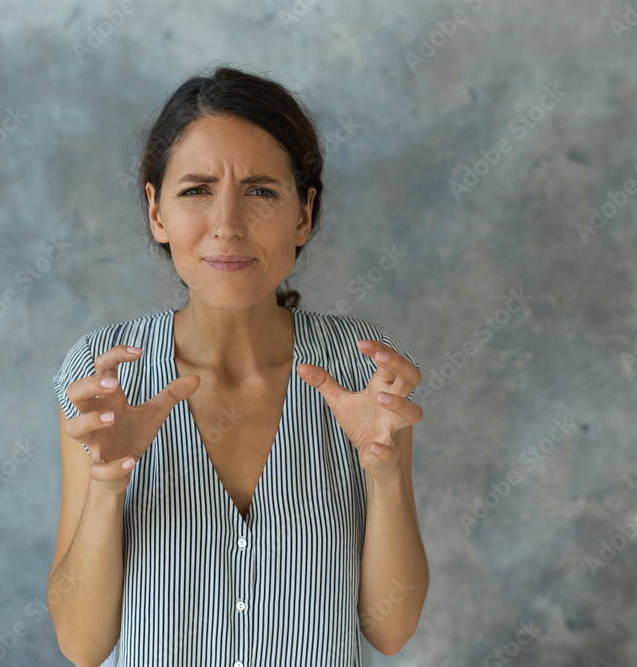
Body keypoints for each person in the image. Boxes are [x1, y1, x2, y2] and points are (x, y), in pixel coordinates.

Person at [48, 64, 428, 667]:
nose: (226, 223)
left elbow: (390, 630)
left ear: (304, 214)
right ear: (157, 212)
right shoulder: (104, 377)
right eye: (196, 190)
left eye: (261, 191)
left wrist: (381, 473)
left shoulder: (364, 368)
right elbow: (81, 644)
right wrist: (107, 484)